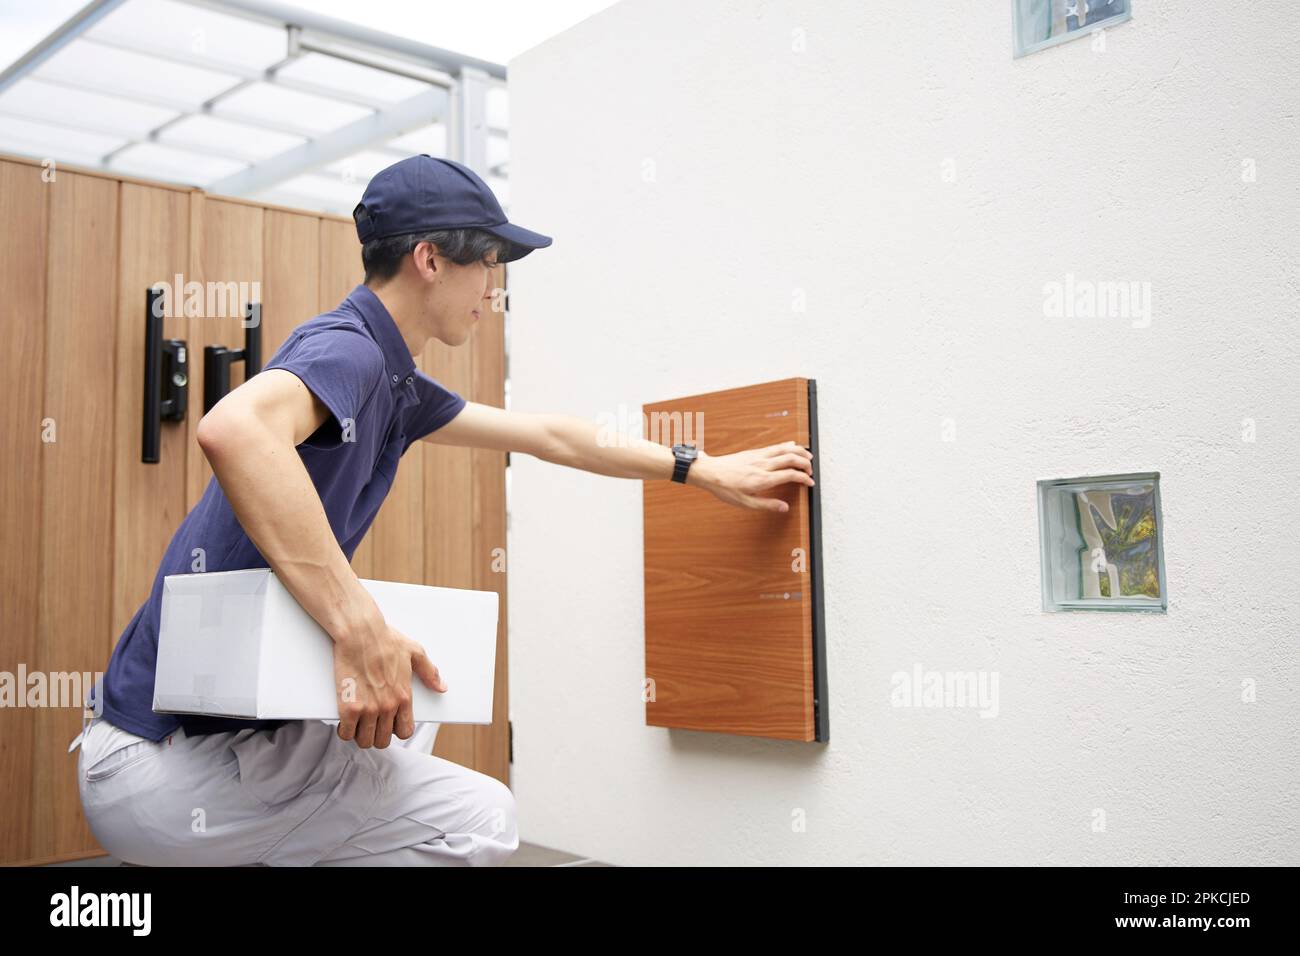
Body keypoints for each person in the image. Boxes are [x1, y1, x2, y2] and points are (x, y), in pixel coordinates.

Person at [70, 154, 815, 866]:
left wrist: (700, 467)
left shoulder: (396, 381)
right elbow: (233, 428)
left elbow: (553, 435)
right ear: (430, 260)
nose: (494, 287)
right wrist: (356, 623)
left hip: (182, 756)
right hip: (158, 763)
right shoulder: (350, 351)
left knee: (418, 696)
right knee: (480, 818)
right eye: (488, 262)